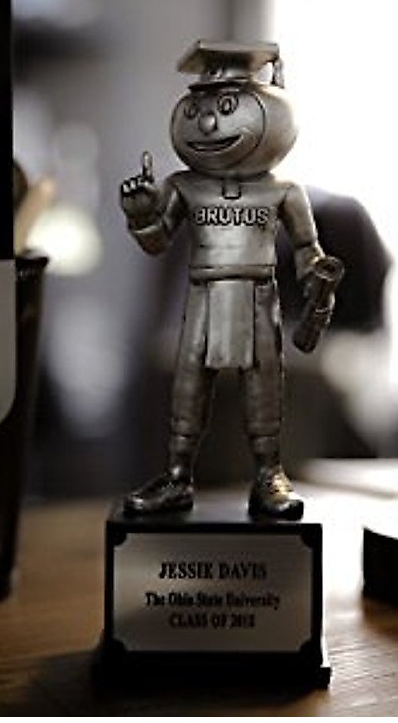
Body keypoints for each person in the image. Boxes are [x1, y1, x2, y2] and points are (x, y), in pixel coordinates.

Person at [118, 40, 341, 520]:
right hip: (204, 294)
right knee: (188, 386)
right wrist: (139, 216)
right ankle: (177, 476)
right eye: (197, 109)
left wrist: (318, 277)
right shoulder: (183, 186)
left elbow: (308, 251)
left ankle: (269, 474)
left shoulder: (285, 192)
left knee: (265, 387)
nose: (208, 124)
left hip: (260, 296)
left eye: (226, 109)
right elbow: (158, 240)